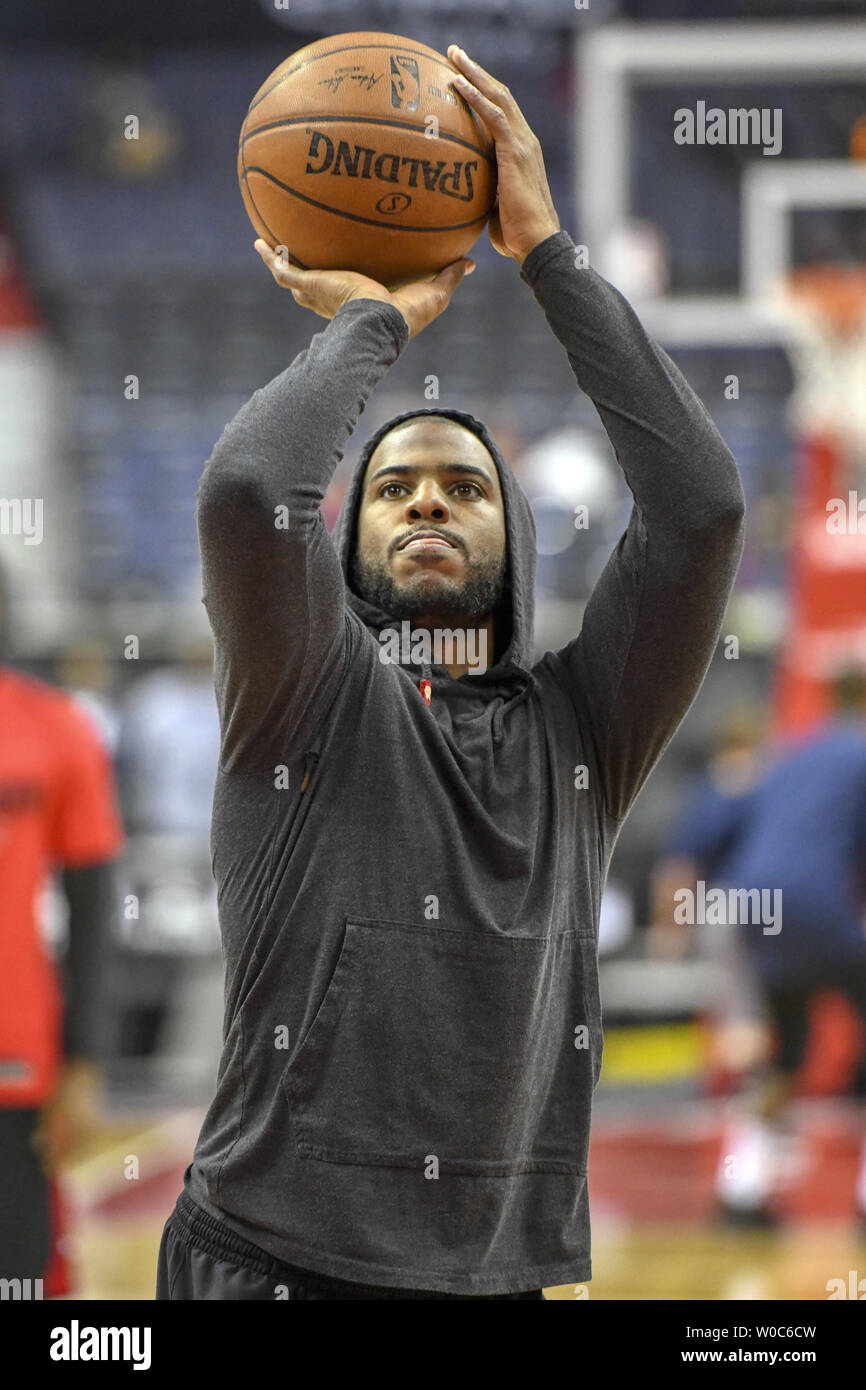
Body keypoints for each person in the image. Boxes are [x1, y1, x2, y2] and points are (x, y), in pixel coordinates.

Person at [156, 44, 745, 1300]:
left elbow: (697, 511)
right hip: (270, 1263)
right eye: (394, 487)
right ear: (349, 546)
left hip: (504, 1277)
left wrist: (547, 257)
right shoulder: (305, 687)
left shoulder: (586, 726)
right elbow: (254, 488)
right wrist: (377, 314)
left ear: (516, 540)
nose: (428, 497)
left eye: (466, 486)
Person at [694, 668, 866, 1227]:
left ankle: (740, 1190)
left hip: (749, 907)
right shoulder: (861, 754)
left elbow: (722, 828)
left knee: (783, 1054)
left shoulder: (789, 755)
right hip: (817, 907)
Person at [0, 559, 123, 1287]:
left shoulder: (56, 728)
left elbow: (95, 908)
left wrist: (85, 1062)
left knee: (21, 1271)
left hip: (16, 1062)